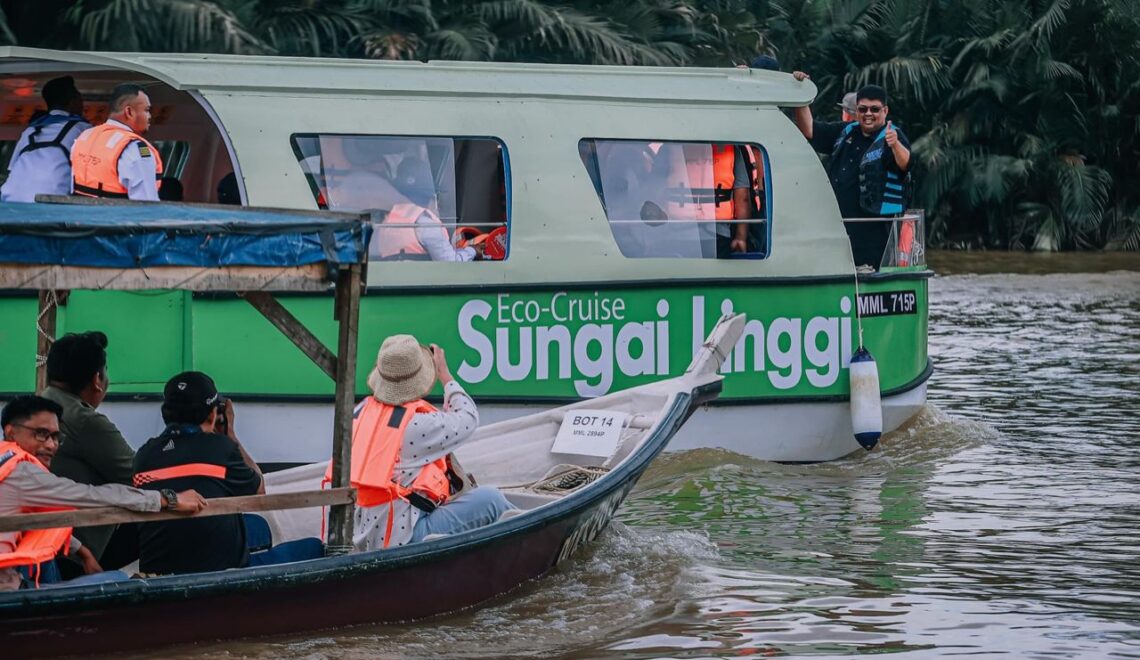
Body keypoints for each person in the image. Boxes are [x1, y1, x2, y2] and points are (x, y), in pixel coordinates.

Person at [0, 396, 205, 591]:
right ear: (11, 433)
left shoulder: (5, 464)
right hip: (9, 593)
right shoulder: (22, 473)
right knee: (118, 580)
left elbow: (40, 523)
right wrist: (167, 499)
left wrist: (82, 552)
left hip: (14, 582)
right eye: (42, 434)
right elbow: (93, 496)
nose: (52, 445)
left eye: (56, 437)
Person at [346, 335, 514, 551]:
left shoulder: (359, 413)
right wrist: (445, 376)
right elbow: (469, 418)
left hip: (364, 535)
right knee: (491, 500)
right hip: (405, 539)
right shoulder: (415, 426)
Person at [132, 371, 267, 575]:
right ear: (213, 414)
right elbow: (259, 492)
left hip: (158, 577)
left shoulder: (143, 456)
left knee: (257, 527)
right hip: (220, 576)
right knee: (301, 543)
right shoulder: (222, 448)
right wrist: (230, 434)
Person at [791, 76, 912, 268]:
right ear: (856, 110)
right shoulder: (846, 130)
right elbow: (810, 130)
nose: (868, 114)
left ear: (885, 111)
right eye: (863, 109)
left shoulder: (892, 136)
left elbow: (905, 164)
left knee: (868, 272)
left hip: (875, 231)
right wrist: (799, 91)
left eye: (875, 109)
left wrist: (895, 144)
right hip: (838, 227)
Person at [40, 331, 135, 565]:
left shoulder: (37, 407)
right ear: (97, 379)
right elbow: (138, 474)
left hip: (42, 536)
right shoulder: (84, 421)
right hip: (72, 552)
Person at [0, 76, 91, 203]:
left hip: (11, 200)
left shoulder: (30, 131)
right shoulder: (84, 129)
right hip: (51, 204)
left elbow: (12, 168)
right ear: (73, 102)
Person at [377, 158, 485, 261]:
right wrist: (473, 250)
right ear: (431, 195)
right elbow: (449, 262)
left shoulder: (390, 217)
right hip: (420, 278)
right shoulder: (425, 222)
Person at [71, 83, 164, 201]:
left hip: (79, 217)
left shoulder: (84, 137)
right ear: (129, 112)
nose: (149, 116)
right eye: (146, 110)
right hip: (116, 218)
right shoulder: (135, 149)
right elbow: (145, 204)